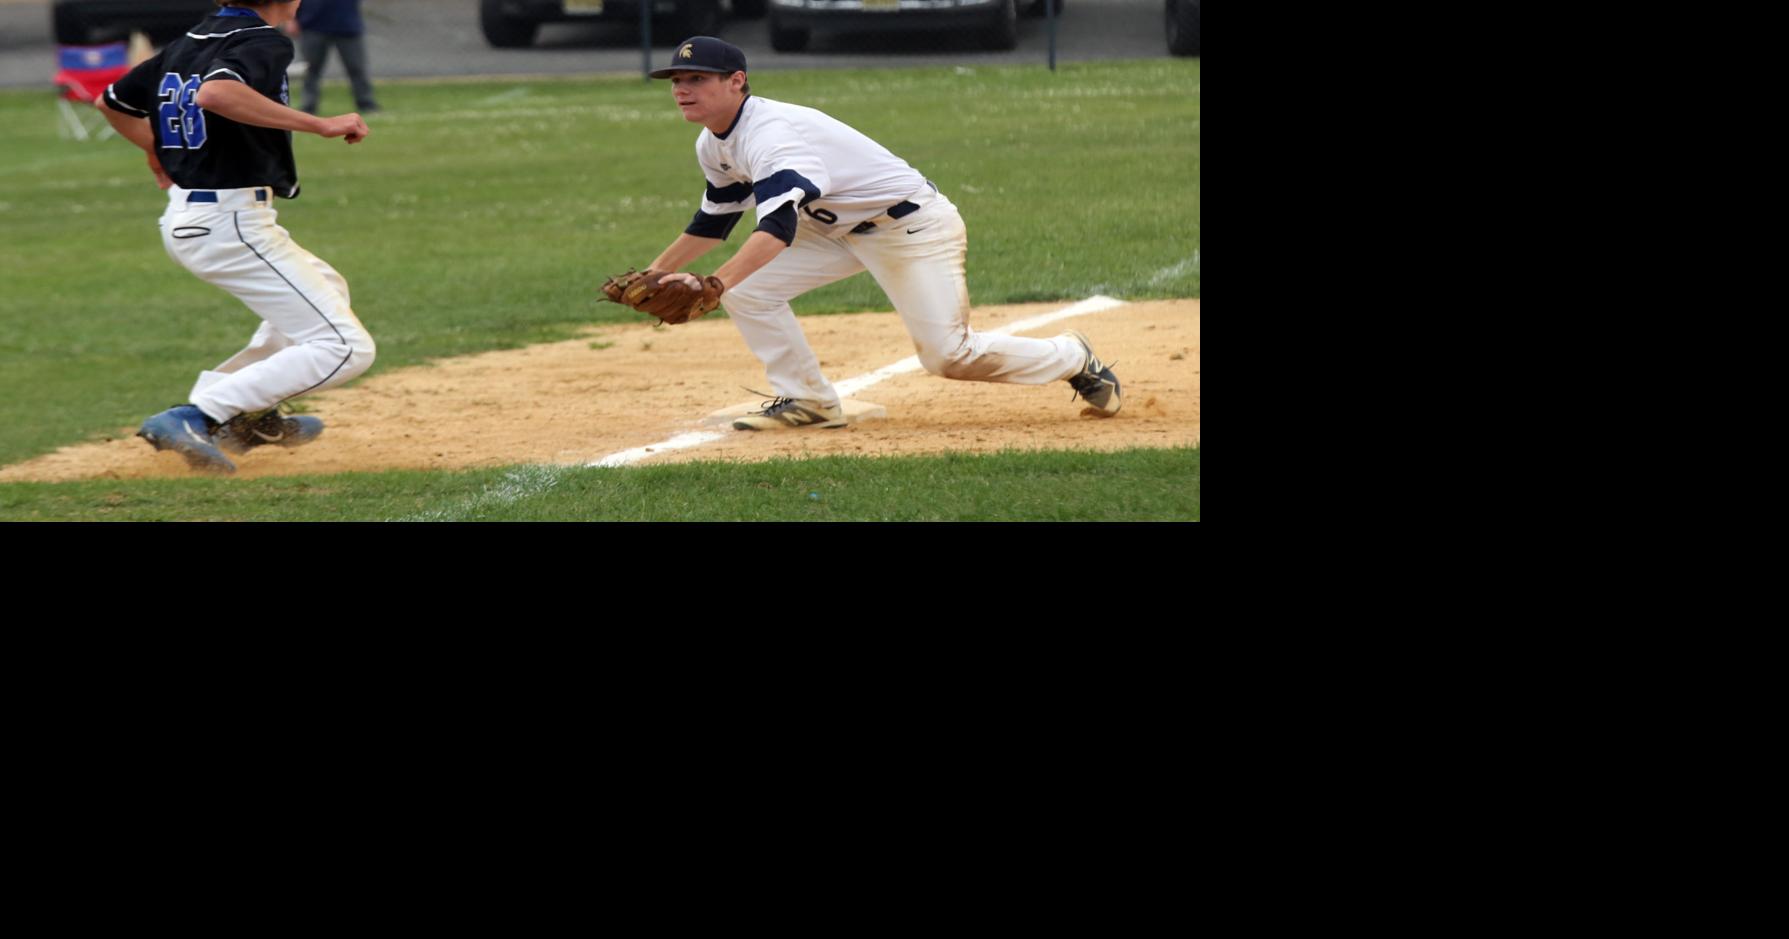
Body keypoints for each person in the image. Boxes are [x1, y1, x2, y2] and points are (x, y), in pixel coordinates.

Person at [636, 36, 1121, 431]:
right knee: (750, 290)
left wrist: (713, 285)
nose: (682, 88)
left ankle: (1071, 356)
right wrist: (653, 274)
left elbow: (777, 228)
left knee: (949, 357)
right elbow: (714, 222)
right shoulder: (712, 143)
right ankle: (810, 402)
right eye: (676, 79)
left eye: (696, 78)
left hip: (909, 227)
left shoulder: (772, 133)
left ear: (736, 81)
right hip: (834, 232)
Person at [97, 0, 375, 473]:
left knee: (326, 289)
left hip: (200, 216)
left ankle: (246, 418)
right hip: (228, 221)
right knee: (345, 348)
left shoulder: (191, 41)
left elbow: (112, 102)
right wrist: (319, 124)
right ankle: (200, 414)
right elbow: (217, 94)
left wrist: (156, 148)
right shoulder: (262, 39)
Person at [294, 0, 377, 115]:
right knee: (310, 70)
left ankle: (366, 103)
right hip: (312, 26)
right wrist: (291, 19)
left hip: (347, 26)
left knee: (357, 68)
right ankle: (308, 106)